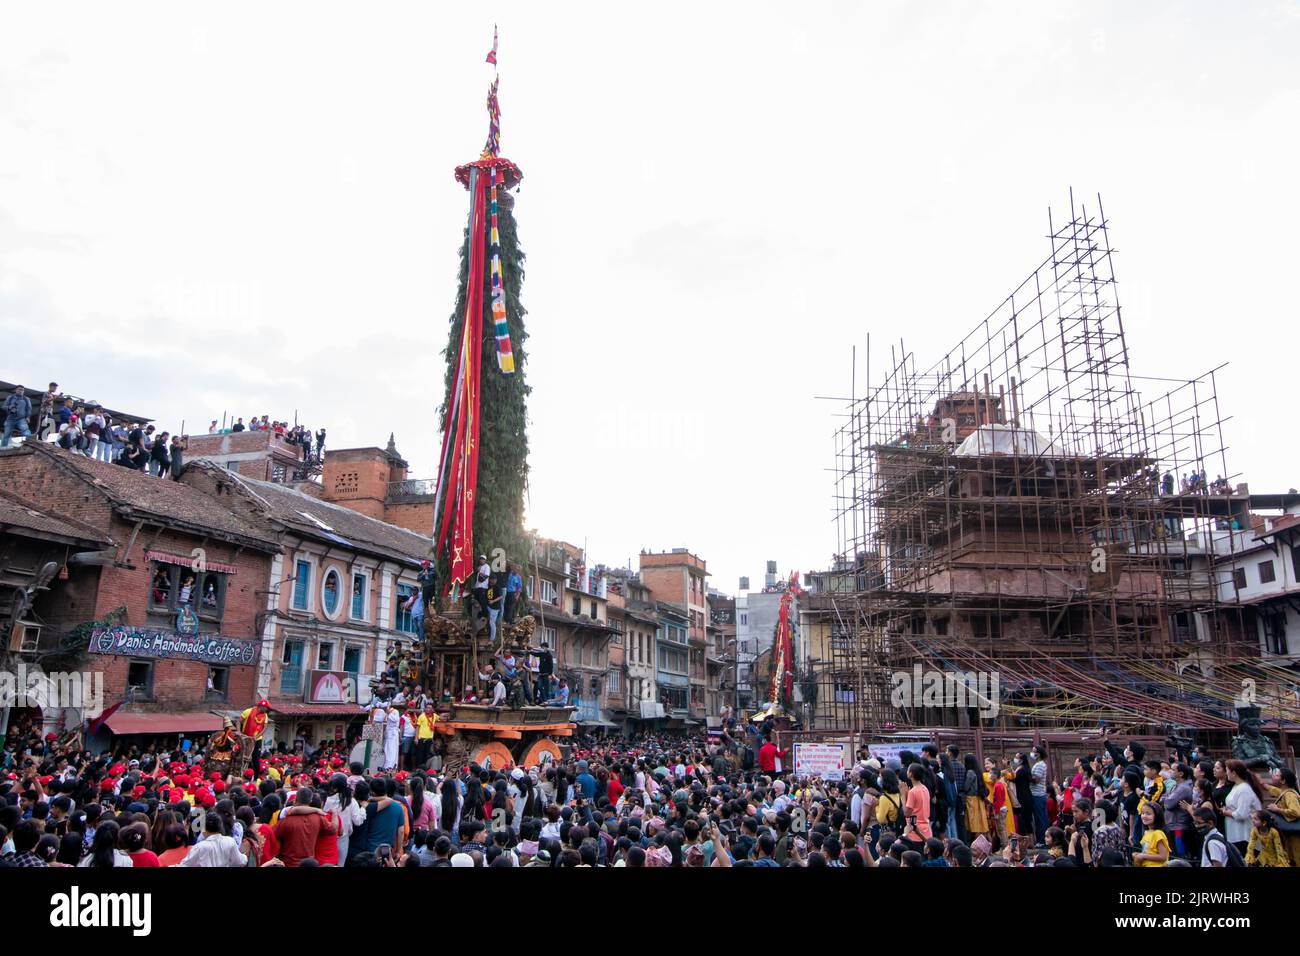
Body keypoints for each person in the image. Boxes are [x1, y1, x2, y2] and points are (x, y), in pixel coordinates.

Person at [1223, 759, 1264, 856]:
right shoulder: (1237, 786)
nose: (1226, 773)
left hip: (1244, 835)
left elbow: (1242, 814)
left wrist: (1227, 812)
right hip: (1235, 834)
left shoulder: (1244, 789)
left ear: (1234, 773)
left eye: (1227, 770)